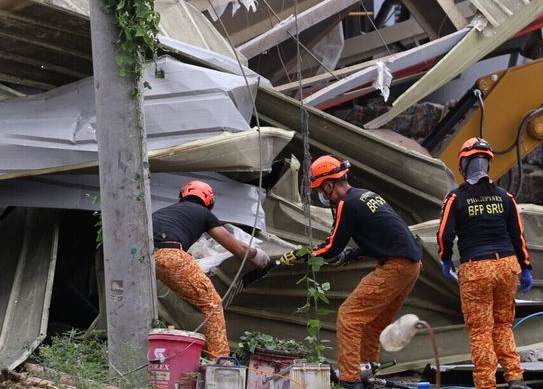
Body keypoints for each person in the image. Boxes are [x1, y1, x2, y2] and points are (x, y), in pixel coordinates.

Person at [281, 155, 423, 389]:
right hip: (411, 265)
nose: (321, 195)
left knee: (349, 316)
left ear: (328, 185)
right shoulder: (365, 195)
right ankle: (367, 373)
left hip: (396, 266)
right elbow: (380, 236)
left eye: (319, 189)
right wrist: (350, 255)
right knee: (373, 323)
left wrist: (304, 254)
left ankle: (349, 380)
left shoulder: (346, 203)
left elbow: (332, 245)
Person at [437, 138, 533, 389]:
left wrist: (445, 259)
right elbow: (518, 236)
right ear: (488, 164)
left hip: (476, 268)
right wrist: (526, 268)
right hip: (507, 266)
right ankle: (515, 378)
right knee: (503, 324)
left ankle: (486, 384)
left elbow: (444, 235)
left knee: (480, 330)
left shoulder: (455, 198)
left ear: (463, 164)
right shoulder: (505, 197)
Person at [152, 180, 270, 360]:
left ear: (181, 196)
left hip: (145, 259)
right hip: (172, 255)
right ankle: (221, 362)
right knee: (212, 305)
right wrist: (258, 255)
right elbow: (237, 249)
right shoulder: (204, 214)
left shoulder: (162, 212)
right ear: (210, 203)